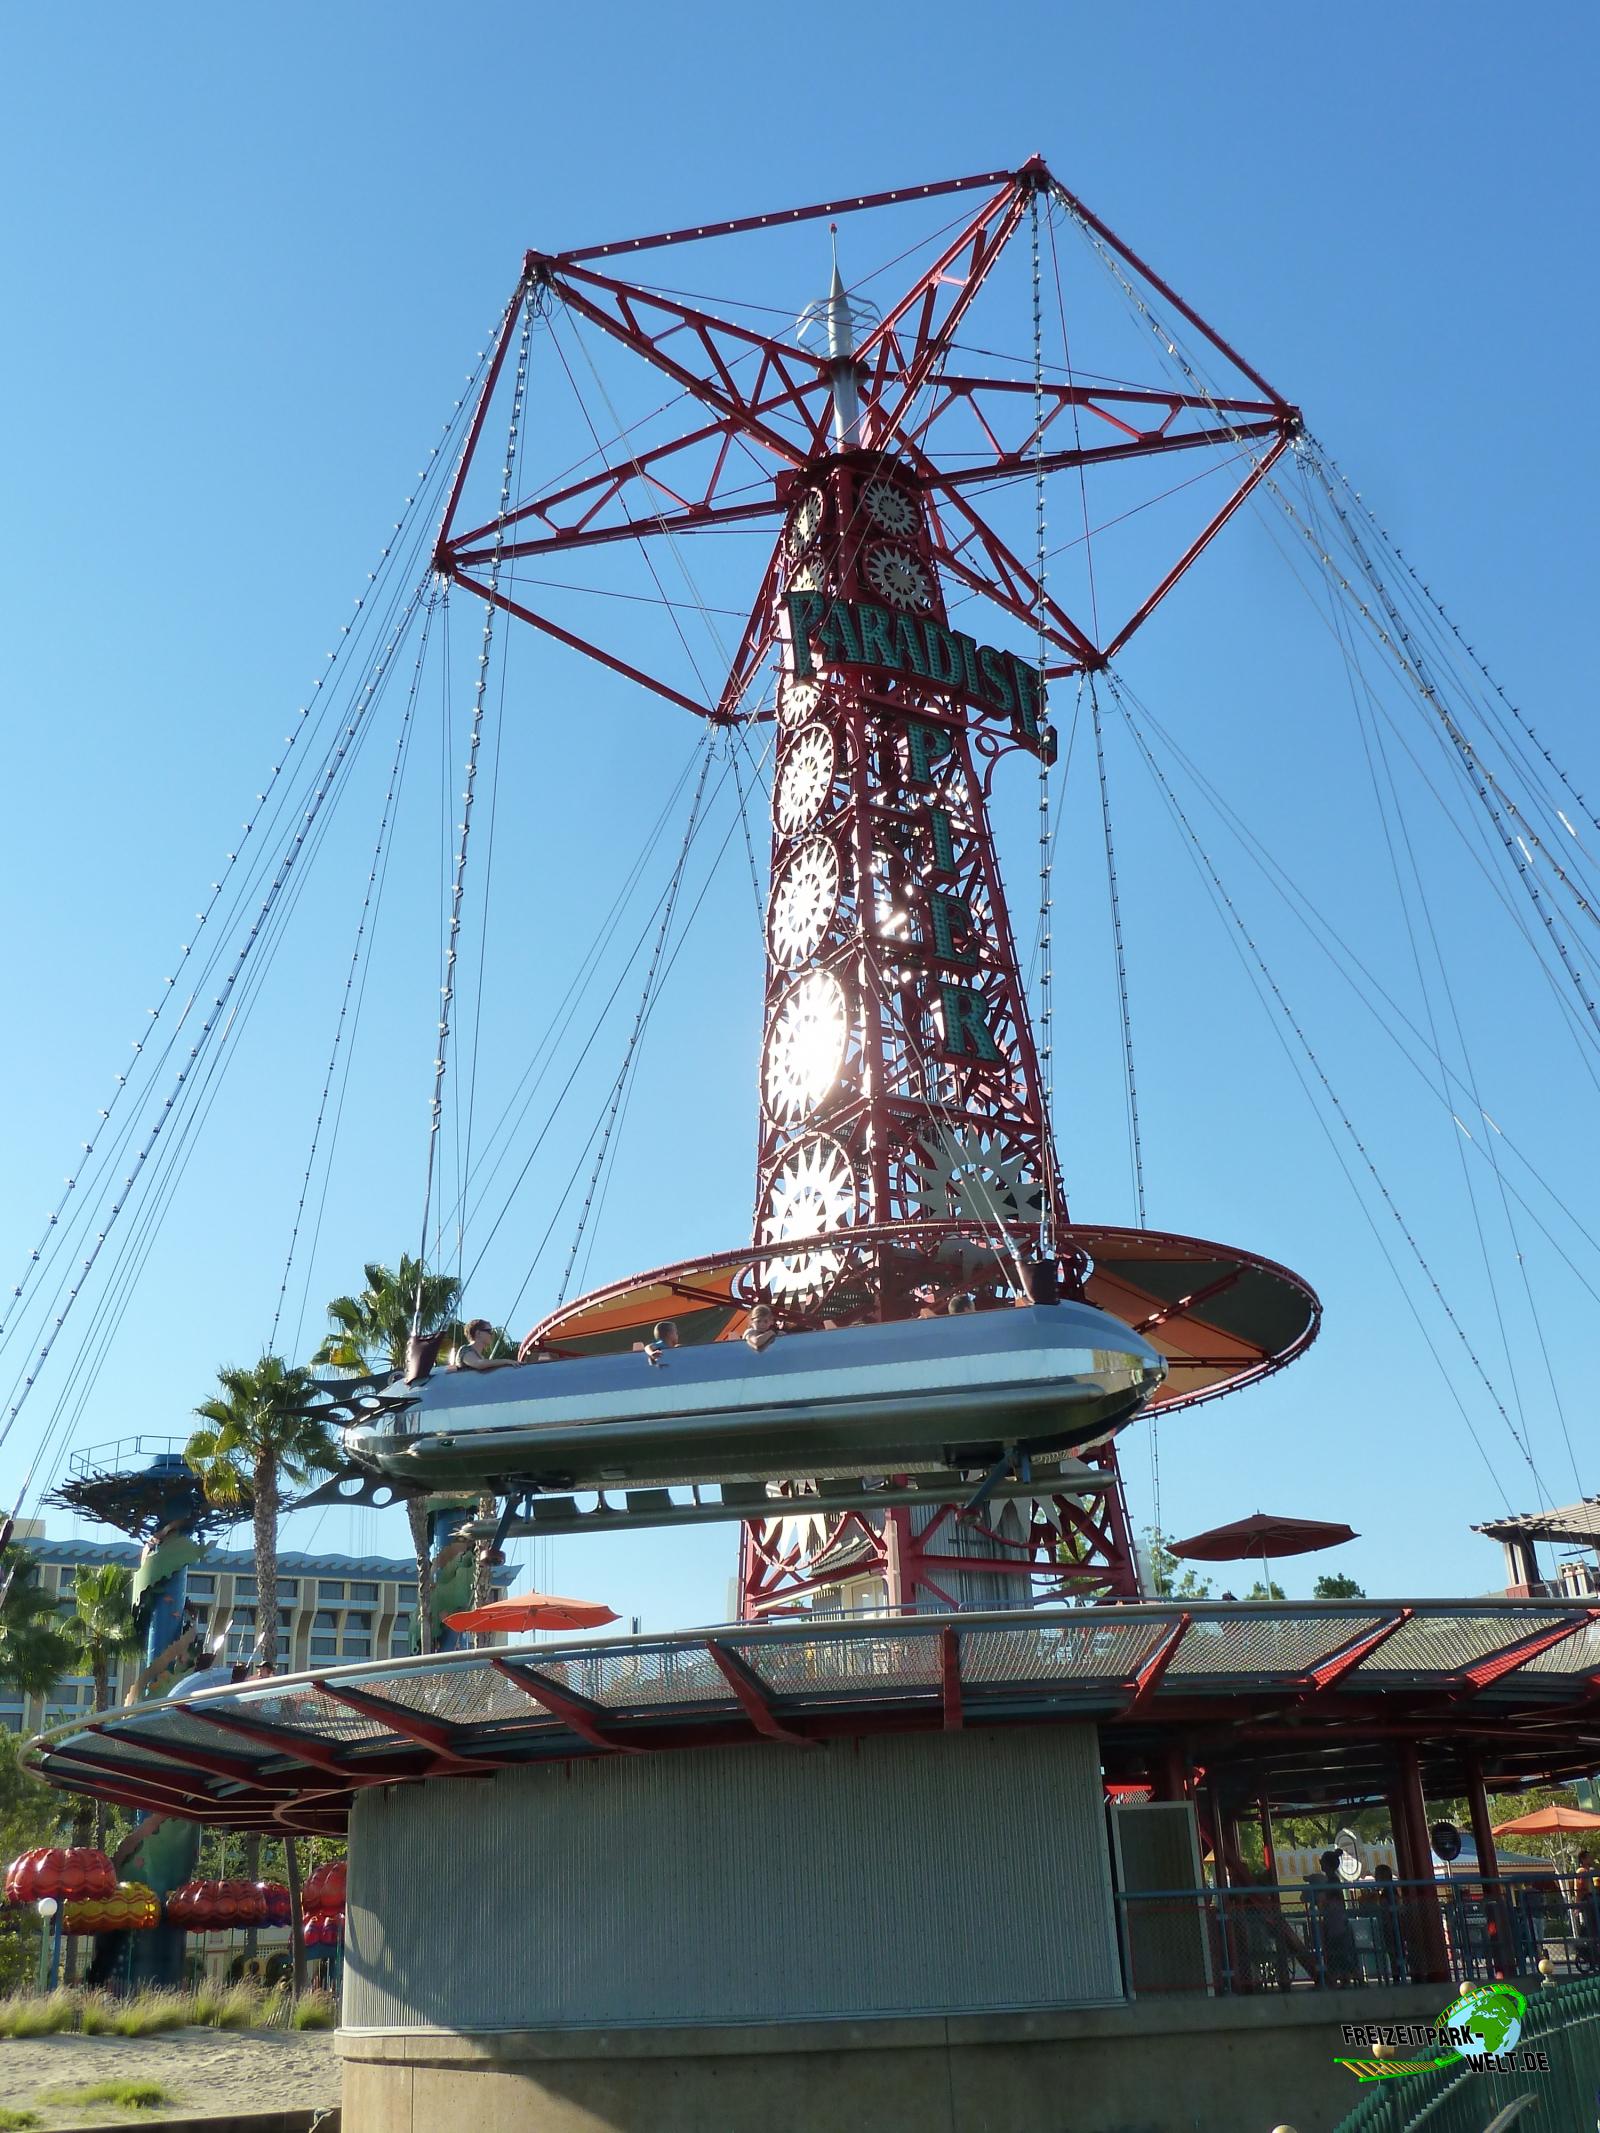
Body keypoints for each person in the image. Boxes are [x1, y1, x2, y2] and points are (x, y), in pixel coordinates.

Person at [452, 1317, 519, 1370]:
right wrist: (506, 1361)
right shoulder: (465, 1350)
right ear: (478, 1333)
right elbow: (479, 1364)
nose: (492, 1335)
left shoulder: (482, 1357)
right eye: (489, 1331)